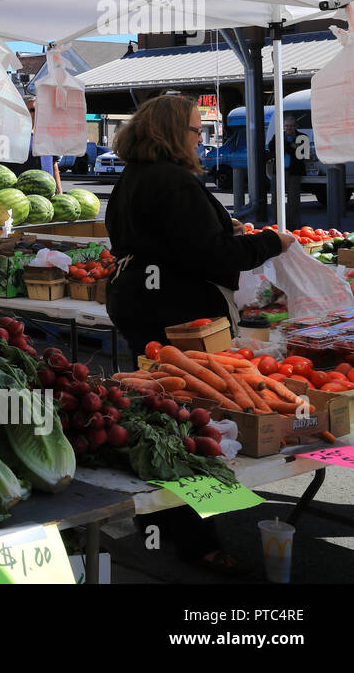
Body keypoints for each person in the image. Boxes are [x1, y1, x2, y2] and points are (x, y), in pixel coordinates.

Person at [105, 95, 293, 574]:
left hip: (139, 304)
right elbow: (210, 258)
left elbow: (163, 240)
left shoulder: (134, 177)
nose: (199, 138)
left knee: (160, 412)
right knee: (190, 418)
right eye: (194, 130)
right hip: (178, 318)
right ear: (172, 133)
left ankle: (168, 521)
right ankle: (196, 537)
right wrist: (272, 242)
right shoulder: (173, 181)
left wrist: (218, 227)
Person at [267, 116, 305, 228]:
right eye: (287, 126)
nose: (289, 128)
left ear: (296, 126)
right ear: (283, 126)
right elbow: (271, 147)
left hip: (294, 172)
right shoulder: (277, 136)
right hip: (278, 171)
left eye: (292, 126)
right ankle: (277, 222)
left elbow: (301, 154)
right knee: (276, 198)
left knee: (293, 199)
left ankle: (292, 224)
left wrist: (285, 145)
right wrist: (291, 146)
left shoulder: (303, 137)